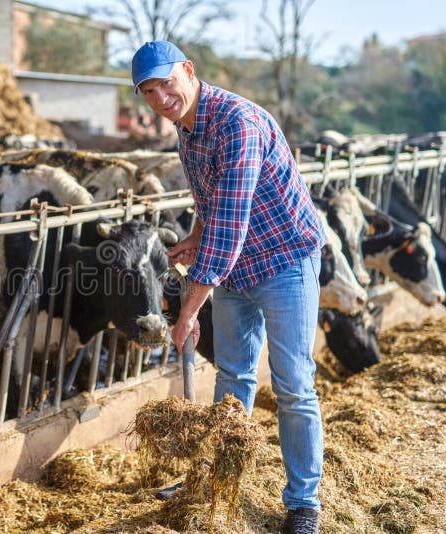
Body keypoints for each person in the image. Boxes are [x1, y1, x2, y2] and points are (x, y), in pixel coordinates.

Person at [131, 41, 326, 534]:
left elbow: (230, 225)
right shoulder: (186, 127)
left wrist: (188, 312)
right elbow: (213, 202)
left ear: (188, 70)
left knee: (292, 383)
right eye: (148, 91)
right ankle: (217, 483)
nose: (160, 98)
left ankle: (304, 503)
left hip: (284, 260)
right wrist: (195, 235)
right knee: (233, 376)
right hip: (236, 268)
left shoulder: (237, 122)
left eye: (166, 83)